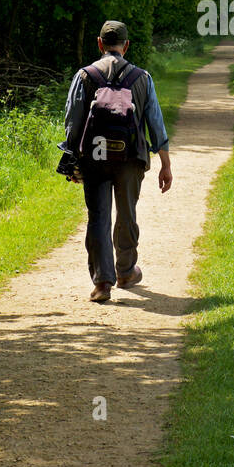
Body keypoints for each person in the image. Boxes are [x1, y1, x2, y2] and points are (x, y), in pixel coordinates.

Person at [60, 20, 172, 303]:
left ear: (99, 43)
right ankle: (125, 272)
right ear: (126, 45)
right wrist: (165, 162)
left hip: (94, 157)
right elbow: (155, 123)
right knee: (126, 213)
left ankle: (102, 283)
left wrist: (72, 160)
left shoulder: (85, 76)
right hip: (130, 157)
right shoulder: (142, 78)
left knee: (98, 216)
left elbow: (72, 122)